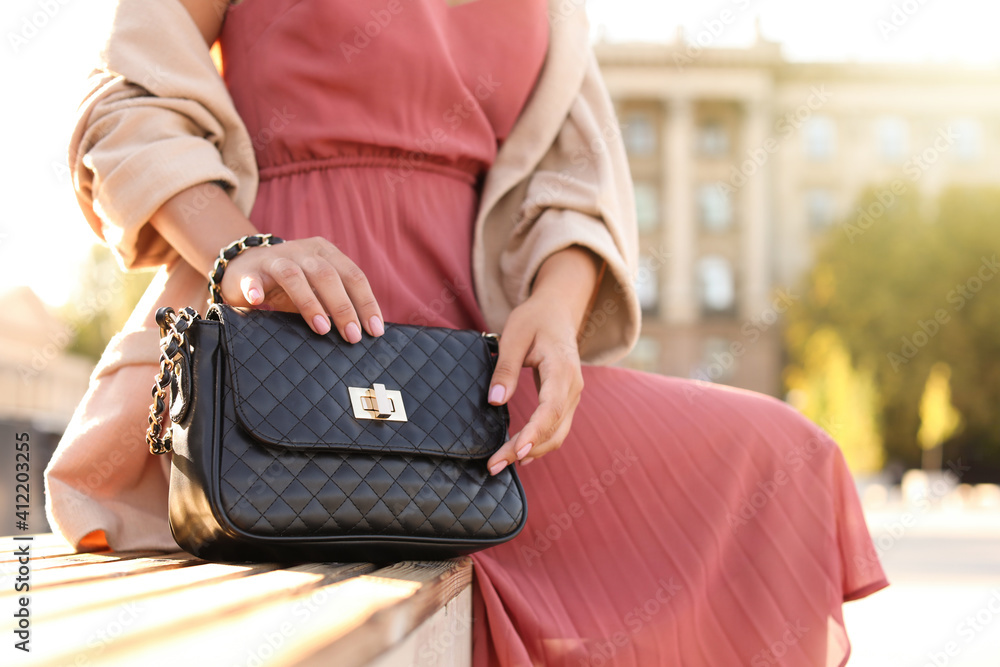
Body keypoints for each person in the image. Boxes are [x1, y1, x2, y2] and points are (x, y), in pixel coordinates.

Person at [46, 0, 888, 664]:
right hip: (275, 345)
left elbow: (574, 178)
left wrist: (556, 311)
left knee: (785, 460)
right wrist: (238, 247)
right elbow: (123, 102)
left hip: (471, 373)